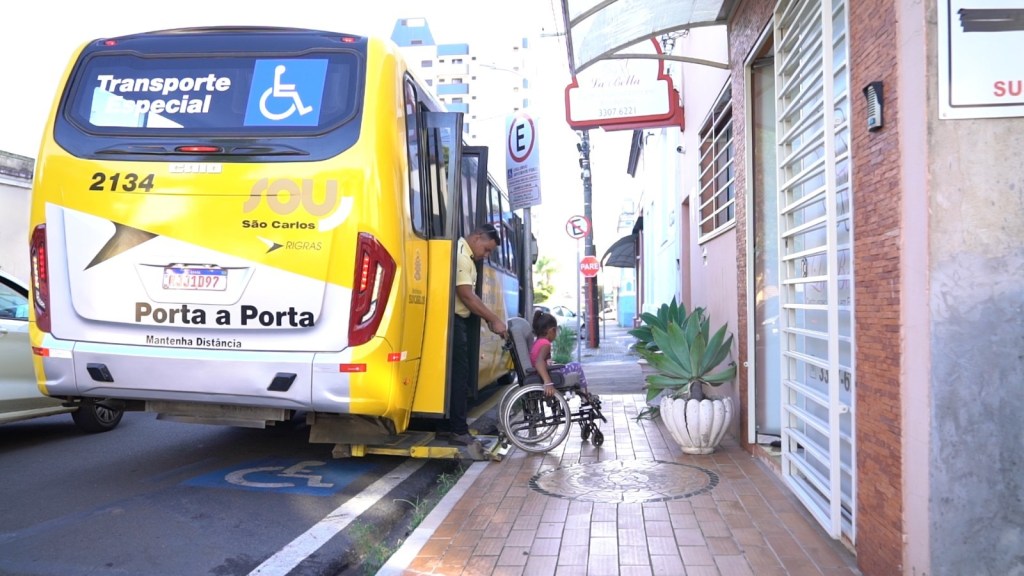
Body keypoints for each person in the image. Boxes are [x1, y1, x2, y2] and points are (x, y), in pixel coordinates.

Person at [447, 223, 508, 448]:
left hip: (461, 321)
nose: (486, 255)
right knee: (458, 376)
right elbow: (466, 295)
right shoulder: (462, 256)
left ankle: (453, 426)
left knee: (459, 375)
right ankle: (458, 430)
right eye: (487, 249)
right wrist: (493, 318)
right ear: (478, 237)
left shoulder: (468, 257)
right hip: (454, 321)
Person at [530, 309, 592, 398]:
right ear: (552, 331)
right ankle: (585, 396)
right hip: (546, 375)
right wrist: (548, 382)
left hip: (540, 372)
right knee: (577, 366)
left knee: (565, 365)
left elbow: (540, 360)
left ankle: (582, 394)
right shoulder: (545, 344)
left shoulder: (537, 342)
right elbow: (539, 362)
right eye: (556, 331)